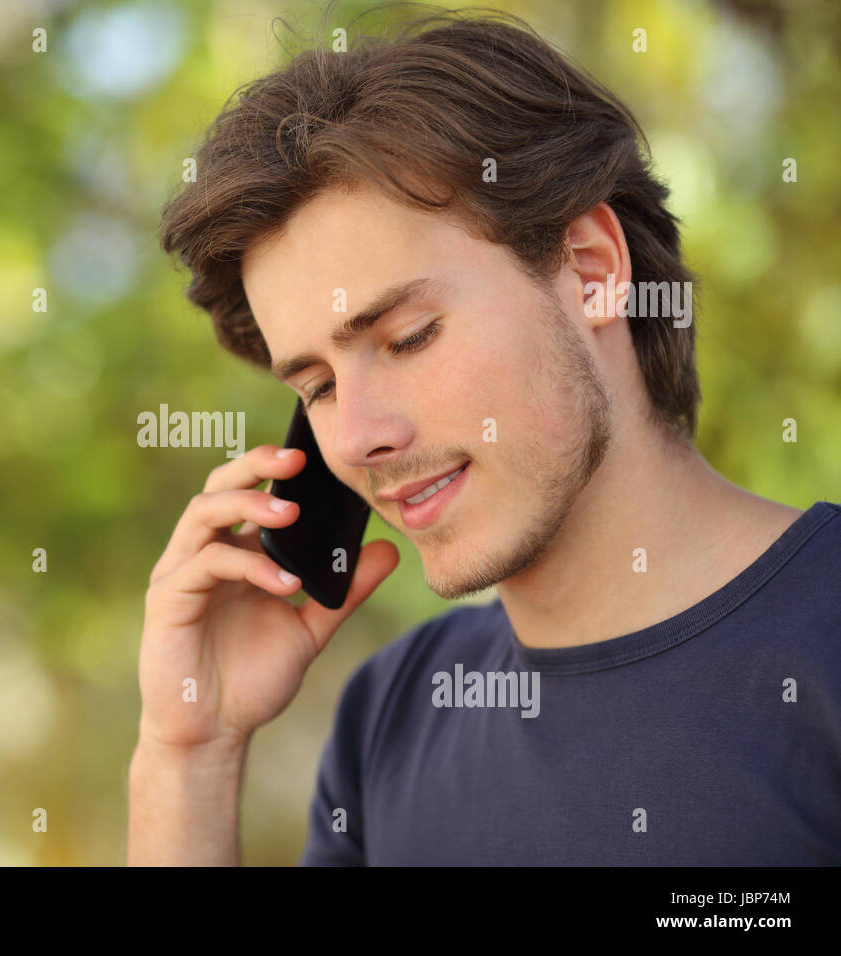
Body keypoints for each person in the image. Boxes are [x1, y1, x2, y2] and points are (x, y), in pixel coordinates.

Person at [129, 6, 841, 865]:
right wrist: (188, 758)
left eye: (408, 338)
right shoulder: (386, 726)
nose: (355, 438)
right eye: (316, 386)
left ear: (591, 271)